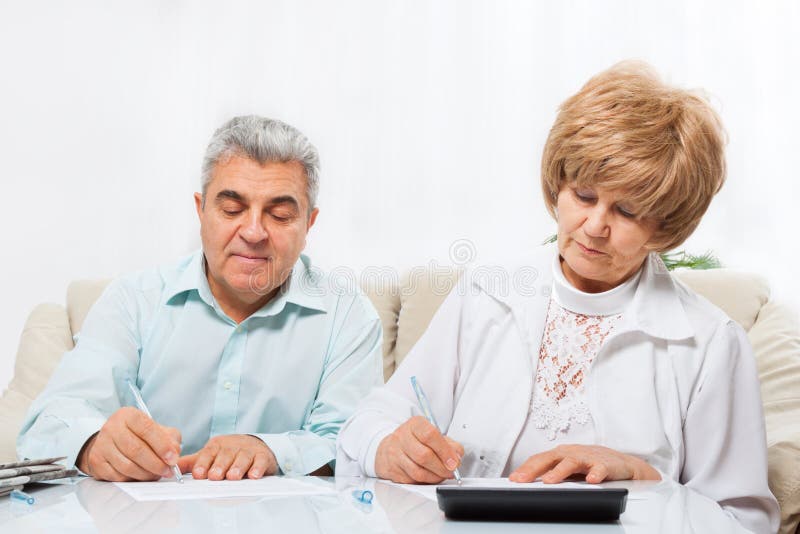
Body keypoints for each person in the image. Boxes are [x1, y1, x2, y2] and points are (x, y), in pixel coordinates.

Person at [337, 62, 779, 533]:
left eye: (627, 211)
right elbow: (369, 422)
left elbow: (744, 522)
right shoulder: (486, 293)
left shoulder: (710, 343)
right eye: (584, 196)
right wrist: (385, 446)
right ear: (559, 184)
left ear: (666, 224)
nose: (595, 226)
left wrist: (642, 477)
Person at [18, 115, 383, 482]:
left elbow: (357, 444)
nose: (253, 232)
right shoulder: (133, 302)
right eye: (232, 210)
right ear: (201, 210)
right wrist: (93, 445)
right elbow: (50, 422)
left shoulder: (347, 314)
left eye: (280, 215)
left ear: (308, 225)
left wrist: (272, 451)